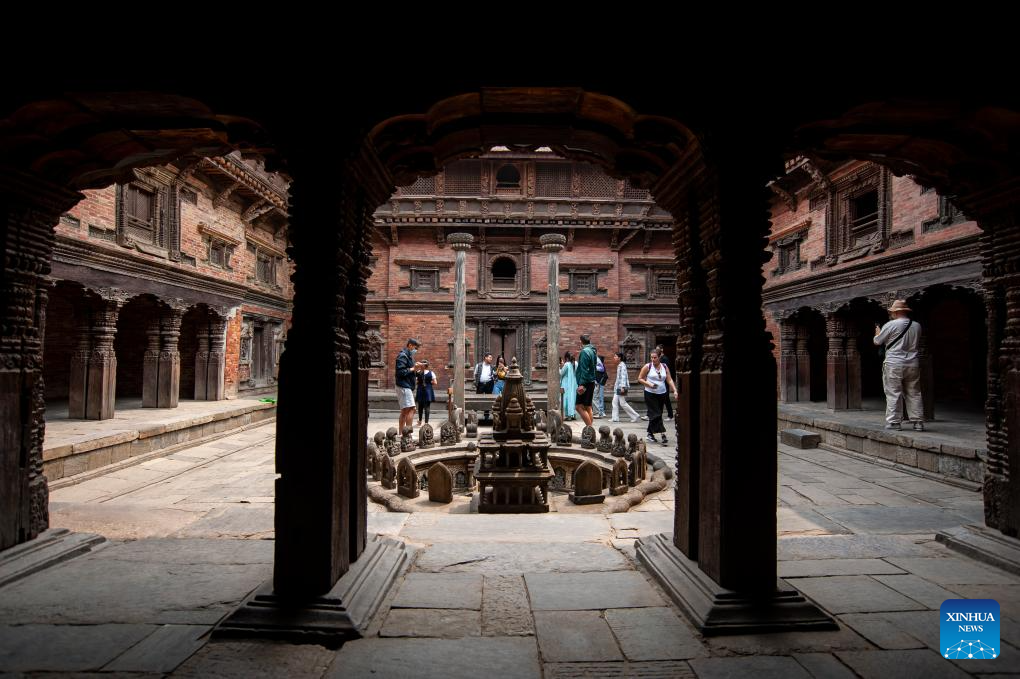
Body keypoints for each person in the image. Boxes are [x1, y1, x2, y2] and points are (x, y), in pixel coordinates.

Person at [873, 299, 924, 431]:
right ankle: (918, 422)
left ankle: (894, 422)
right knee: (914, 392)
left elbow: (878, 342)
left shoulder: (890, 325)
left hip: (894, 363)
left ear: (895, 313)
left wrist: (878, 332)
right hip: (913, 363)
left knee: (893, 392)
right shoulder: (917, 325)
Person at [638, 349, 678, 446]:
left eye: (655, 357)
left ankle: (650, 434)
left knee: (657, 413)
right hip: (650, 393)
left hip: (662, 393)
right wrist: (649, 384)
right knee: (656, 413)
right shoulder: (648, 366)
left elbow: (669, 379)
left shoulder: (664, 366)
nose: (653, 359)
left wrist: (675, 390)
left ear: (659, 357)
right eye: (651, 357)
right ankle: (663, 434)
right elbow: (640, 378)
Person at [395, 338, 424, 433]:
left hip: (406, 385)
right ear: (410, 345)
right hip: (403, 385)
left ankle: (401, 433)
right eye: (415, 348)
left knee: (405, 411)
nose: (416, 350)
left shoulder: (409, 356)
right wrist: (413, 368)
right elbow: (400, 372)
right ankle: (407, 434)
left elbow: (411, 371)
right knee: (412, 409)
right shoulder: (403, 356)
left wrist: (418, 370)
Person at [575, 334, 598, 427]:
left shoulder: (585, 352)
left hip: (585, 382)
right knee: (588, 407)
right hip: (591, 381)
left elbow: (584, 369)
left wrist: (582, 384)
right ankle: (590, 430)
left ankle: (590, 428)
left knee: (578, 406)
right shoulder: (593, 350)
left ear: (581, 341)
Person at [611, 351, 640, 423]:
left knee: (622, 403)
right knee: (614, 402)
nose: (614, 358)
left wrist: (623, 387)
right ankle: (615, 418)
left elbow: (623, 377)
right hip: (618, 387)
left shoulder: (622, 365)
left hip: (621, 387)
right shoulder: (620, 365)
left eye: (615, 356)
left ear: (619, 358)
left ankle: (635, 415)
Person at [474, 352, 495, 421]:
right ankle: (474, 415)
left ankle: (486, 415)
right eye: (490, 357)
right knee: (477, 399)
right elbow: (475, 374)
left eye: (491, 358)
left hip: (489, 384)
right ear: (485, 357)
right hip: (480, 384)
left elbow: (494, 375)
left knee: (488, 399)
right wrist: (476, 382)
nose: (491, 359)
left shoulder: (492, 367)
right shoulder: (479, 365)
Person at [415, 359, 438, 425]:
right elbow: (435, 382)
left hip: (420, 390)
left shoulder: (418, 372)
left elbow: (416, 382)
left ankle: (419, 421)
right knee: (427, 407)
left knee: (420, 407)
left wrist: (420, 382)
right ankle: (426, 423)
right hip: (428, 391)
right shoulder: (431, 373)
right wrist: (429, 382)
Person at [655, 344, 675, 421]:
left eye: (658, 349)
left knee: (666, 399)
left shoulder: (665, 359)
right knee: (664, 399)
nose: (656, 350)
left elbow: (666, 371)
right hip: (660, 382)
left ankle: (670, 415)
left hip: (665, 381)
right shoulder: (659, 358)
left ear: (662, 350)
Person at [559, 351, 578, 420]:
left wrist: (559, 367)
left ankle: (568, 415)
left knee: (566, 399)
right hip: (574, 382)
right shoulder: (575, 363)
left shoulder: (567, 364)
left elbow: (561, 373)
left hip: (566, 383)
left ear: (566, 358)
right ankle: (574, 414)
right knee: (573, 398)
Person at [593, 353, 609, 419]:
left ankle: (600, 412)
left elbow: (604, 373)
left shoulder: (599, 365)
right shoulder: (599, 364)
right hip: (599, 383)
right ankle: (600, 412)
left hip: (599, 383)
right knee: (598, 397)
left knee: (598, 397)